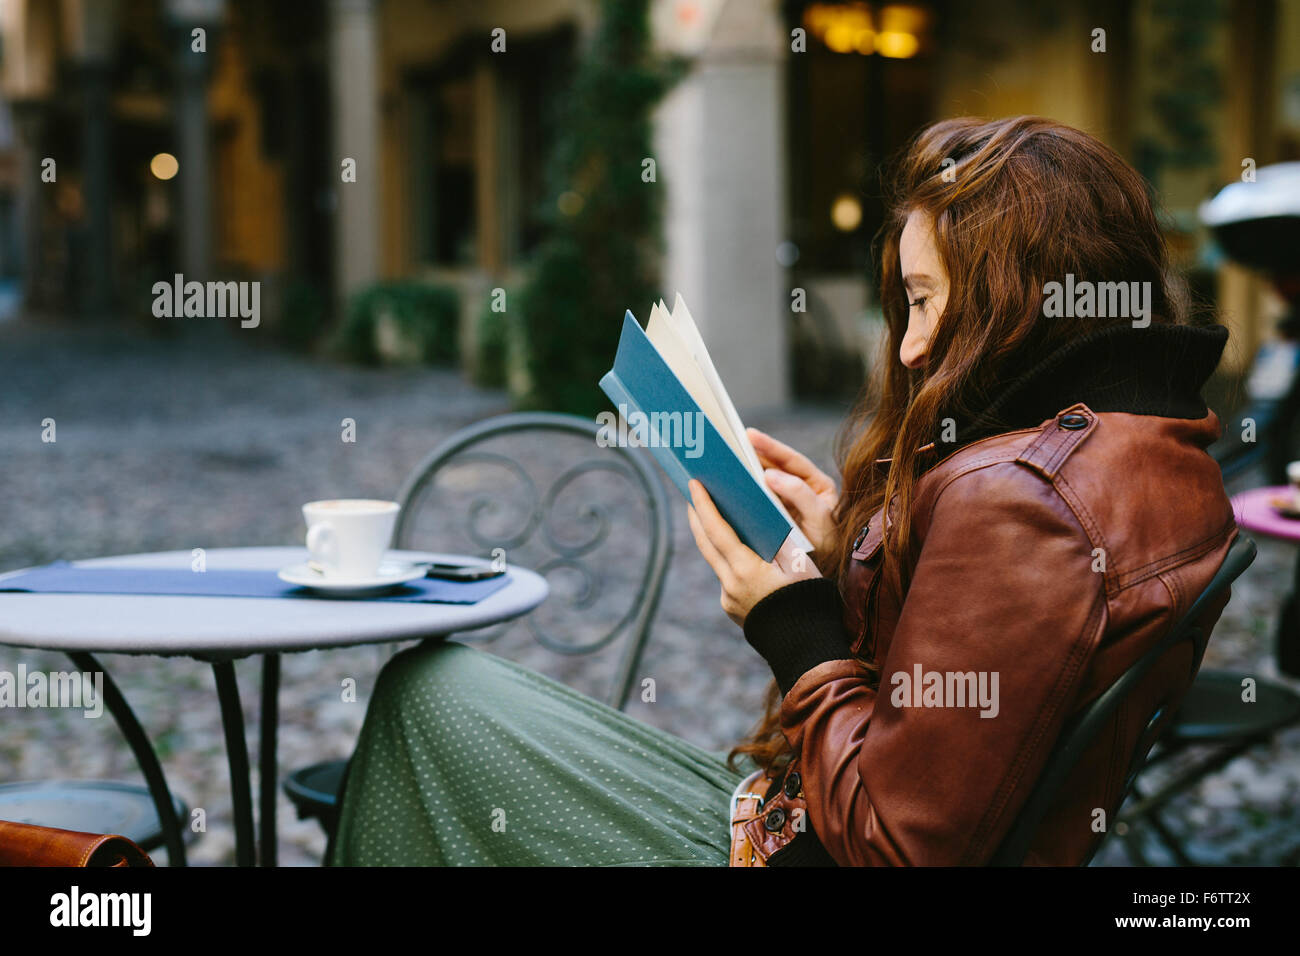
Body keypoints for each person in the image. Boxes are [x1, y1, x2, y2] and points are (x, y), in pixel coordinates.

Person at [328, 116, 1237, 866]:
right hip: (806, 825)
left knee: (430, 693)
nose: (913, 348)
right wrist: (850, 547)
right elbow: (996, 681)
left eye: (926, 300)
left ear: (1018, 297)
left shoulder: (1025, 500)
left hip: (799, 850)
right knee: (438, 700)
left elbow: (896, 842)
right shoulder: (1157, 442)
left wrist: (793, 625)